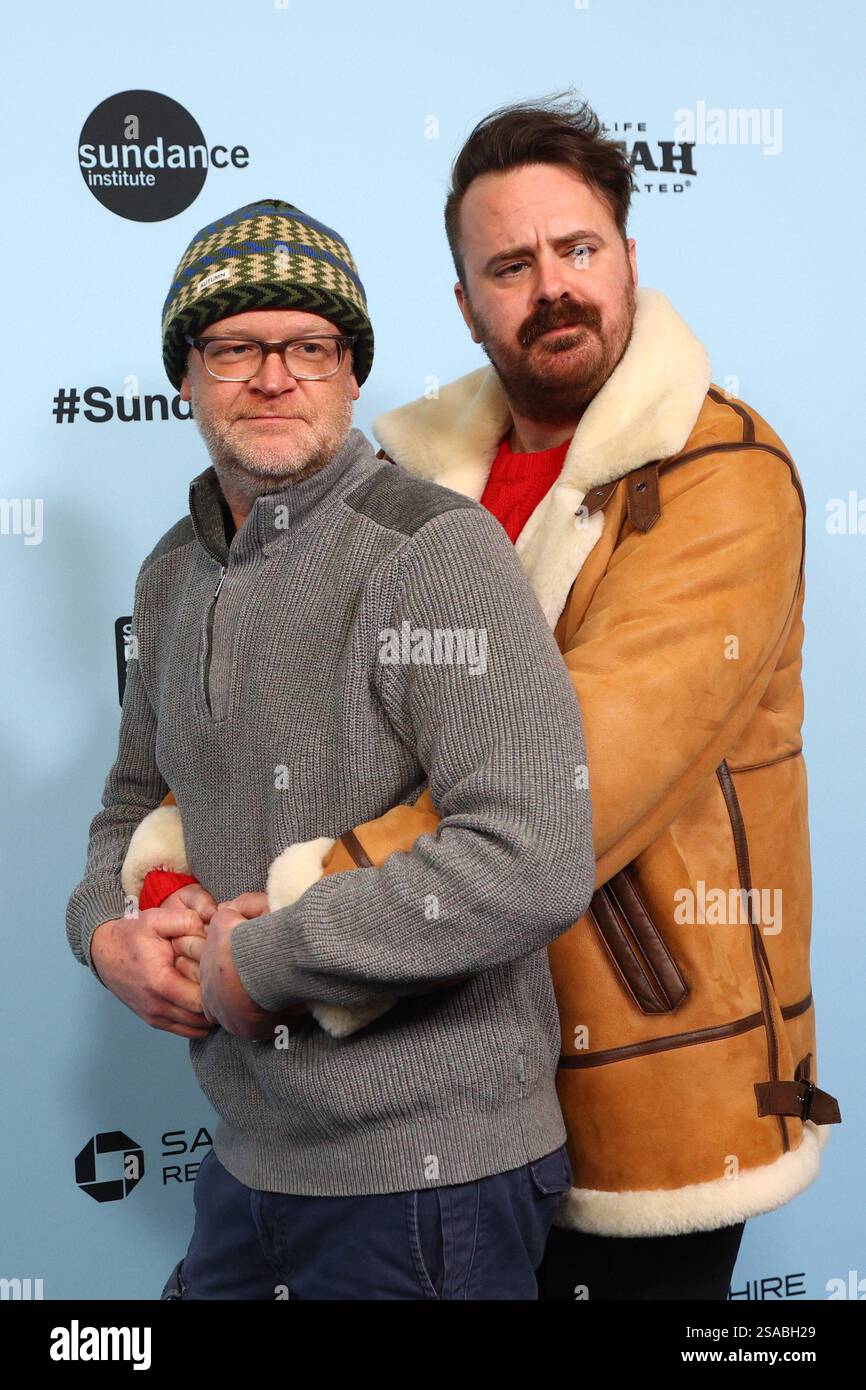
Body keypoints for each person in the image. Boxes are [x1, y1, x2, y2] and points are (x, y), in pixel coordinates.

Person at [140, 100, 843, 1301]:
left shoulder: (720, 481)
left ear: (628, 260)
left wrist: (281, 924)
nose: (551, 289)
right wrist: (159, 891)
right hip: (437, 1049)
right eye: (508, 266)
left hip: (641, 1061)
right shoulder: (402, 493)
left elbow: (573, 777)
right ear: (463, 304)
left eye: (577, 250)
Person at [65, 197, 598, 1301]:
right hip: (249, 1160)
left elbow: (533, 853)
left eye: (308, 346)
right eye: (234, 349)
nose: (273, 376)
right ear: (186, 377)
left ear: (352, 374)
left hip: (428, 1184)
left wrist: (265, 961)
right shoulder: (171, 574)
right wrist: (106, 932)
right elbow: (128, 799)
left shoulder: (432, 551)